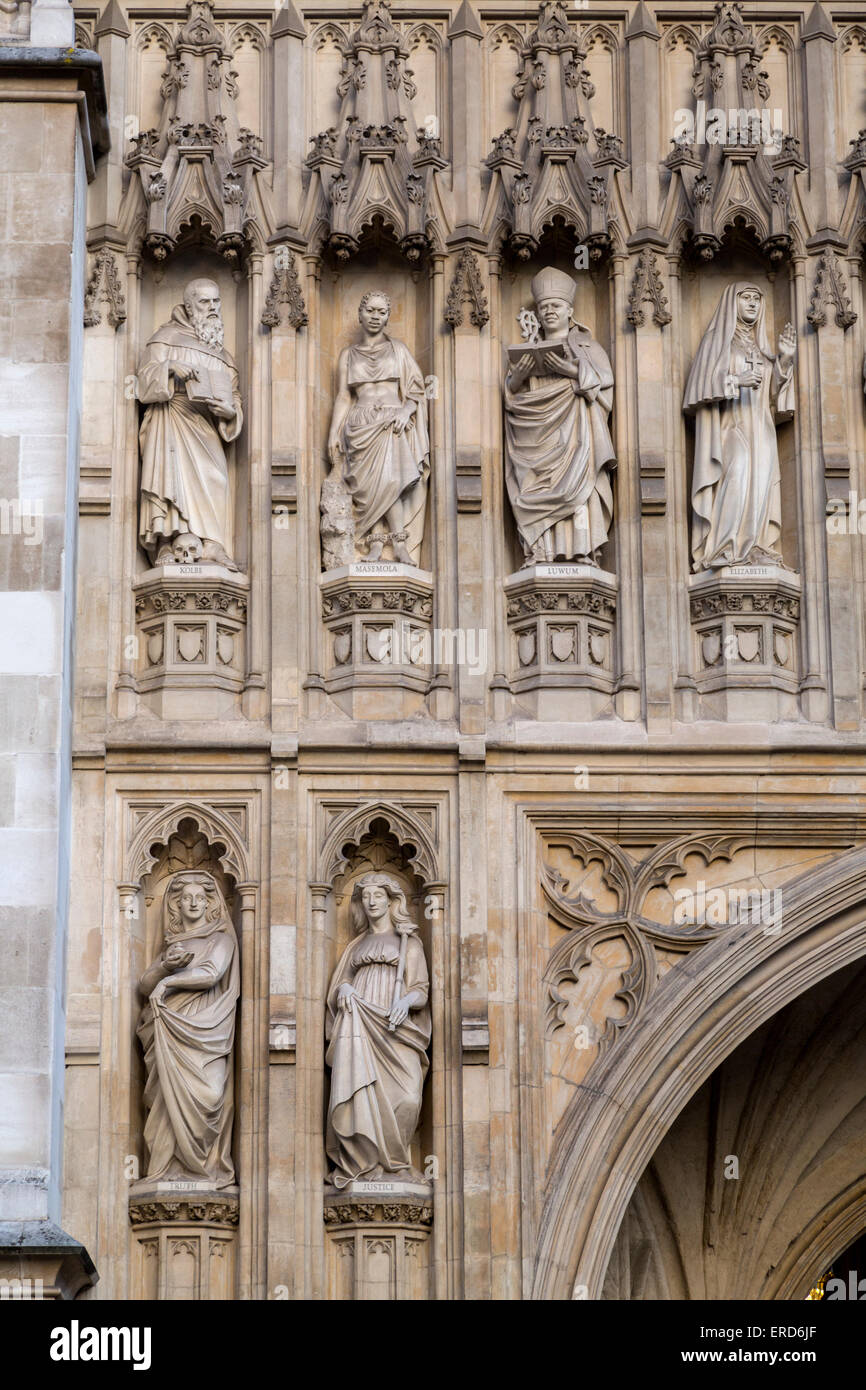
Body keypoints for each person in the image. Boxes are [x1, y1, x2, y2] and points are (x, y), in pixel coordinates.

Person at [504, 266, 615, 566]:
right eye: (543, 307)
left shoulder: (589, 348)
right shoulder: (528, 350)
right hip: (537, 438)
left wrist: (572, 371)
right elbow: (511, 399)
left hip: (577, 437)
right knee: (534, 486)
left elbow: (605, 396)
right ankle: (542, 551)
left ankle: (581, 549)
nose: (549, 312)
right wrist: (518, 377)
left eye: (555, 306)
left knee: (578, 487)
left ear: (570, 310)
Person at [325, 873, 431, 1189]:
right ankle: (364, 1164)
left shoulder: (408, 942)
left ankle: (396, 1164)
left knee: (409, 1096)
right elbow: (340, 982)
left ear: (390, 901)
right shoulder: (357, 945)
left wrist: (406, 1002)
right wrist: (344, 989)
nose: (371, 902)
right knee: (359, 1092)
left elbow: (421, 989)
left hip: (395, 1025)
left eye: (378, 896)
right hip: (359, 1025)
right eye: (366, 896)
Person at [136, 870, 240, 1188]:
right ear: (176, 906)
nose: (193, 903)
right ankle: (165, 1169)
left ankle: (205, 1168)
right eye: (186, 899)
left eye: (200, 898)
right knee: (166, 1100)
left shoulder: (221, 940)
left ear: (209, 903)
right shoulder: (173, 946)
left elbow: (210, 973)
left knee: (210, 1093)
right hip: (168, 1028)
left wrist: (169, 981)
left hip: (207, 1031)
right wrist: (164, 966)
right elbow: (143, 986)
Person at [684, 282, 796, 571]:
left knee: (760, 484)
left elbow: (776, 400)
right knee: (738, 472)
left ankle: (754, 545)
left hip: (761, 428)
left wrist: (784, 359)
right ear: (732, 303)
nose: (752, 304)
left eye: (757, 300)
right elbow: (698, 390)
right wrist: (736, 381)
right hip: (730, 428)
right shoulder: (716, 342)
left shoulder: (760, 347)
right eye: (745, 298)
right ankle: (724, 546)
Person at [138, 278, 243, 570]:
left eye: (216, 302)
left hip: (207, 425)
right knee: (169, 477)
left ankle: (212, 545)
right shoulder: (166, 338)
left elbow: (234, 396)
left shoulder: (223, 355)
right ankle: (167, 544)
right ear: (188, 305)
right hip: (172, 419)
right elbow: (143, 381)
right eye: (204, 302)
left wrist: (230, 412)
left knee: (217, 480)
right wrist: (169, 368)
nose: (212, 308)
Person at [327, 292, 429, 565]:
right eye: (371, 311)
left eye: (382, 312)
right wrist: (333, 432)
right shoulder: (347, 355)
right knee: (366, 487)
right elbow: (344, 396)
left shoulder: (399, 350)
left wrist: (406, 410)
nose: (375, 317)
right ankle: (375, 544)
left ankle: (398, 544)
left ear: (387, 317)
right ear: (360, 314)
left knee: (391, 482)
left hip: (390, 422)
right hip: (359, 424)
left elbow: (416, 390)